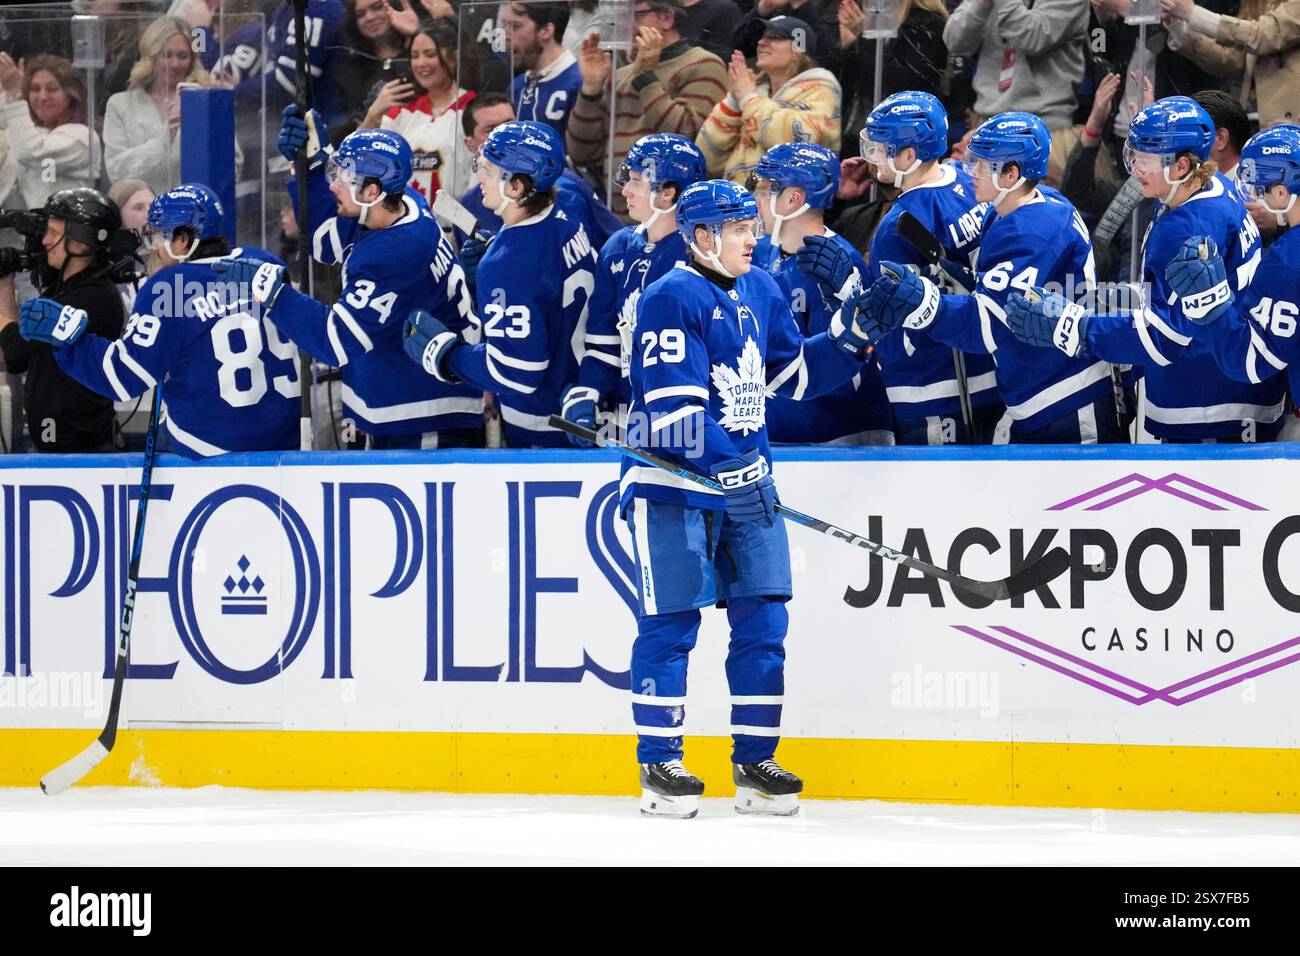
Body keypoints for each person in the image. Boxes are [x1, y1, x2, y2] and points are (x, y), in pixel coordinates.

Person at [600, 179, 878, 817]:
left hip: (746, 482)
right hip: (673, 486)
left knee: (765, 621)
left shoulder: (761, 286)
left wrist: (856, 337)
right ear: (701, 238)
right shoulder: (669, 298)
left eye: (753, 225)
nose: (754, 237)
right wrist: (740, 472)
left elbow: (797, 376)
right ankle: (659, 762)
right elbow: (676, 420)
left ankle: (754, 761)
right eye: (739, 229)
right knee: (671, 625)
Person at [1004, 97, 1281, 443]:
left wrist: (1072, 326)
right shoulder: (1212, 187)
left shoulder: (1184, 228)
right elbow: (1173, 299)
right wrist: (1099, 300)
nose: (1134, 169)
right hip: (1232, 393)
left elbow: (1164, 337)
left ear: (1180, 165)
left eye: (1145, 159)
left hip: (1207, 404)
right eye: (1132, 155)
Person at [841, 114, 1126, 443]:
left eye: (983, 164)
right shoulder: (1027, 206)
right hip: (1038, 393)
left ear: (1011, 174)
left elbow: (989, 325)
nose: (970, 171)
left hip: (1068, 397)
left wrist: (926, 302)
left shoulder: (1032, 230)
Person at [220, 114, 485, 449]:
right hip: (402, 395)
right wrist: (312, 166)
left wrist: (273, 294)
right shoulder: (399, 204)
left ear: (372, 190)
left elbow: (335, 341)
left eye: (342, 177)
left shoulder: (395, 253)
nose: (334, 185)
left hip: (424, 412)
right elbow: (323, 238)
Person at [22, 184, 301, 458]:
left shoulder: (170, 287)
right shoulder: (262, 262)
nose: (154, 248)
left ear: (183, 240)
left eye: (158, 236)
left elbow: (123, 378)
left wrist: (72, 339)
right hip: (284, 443)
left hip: (208, 449)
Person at [404, 120, 597, 447]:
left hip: (544, 418)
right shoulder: (566, 212)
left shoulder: (508, 263)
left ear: (517, 186)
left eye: (488, 170)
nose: (479, 176)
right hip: (586, 394)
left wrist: (449, 357)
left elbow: (519, 371)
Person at [854, 90, 1002, 444]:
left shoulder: (898, 224)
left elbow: (900, 322)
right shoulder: (967, 181)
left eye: (880, 148)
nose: (872, 157)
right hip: (990, 366)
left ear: (908, 156)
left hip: (932, 386)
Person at [560, 132, 708, 442]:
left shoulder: (704, 256)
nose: (625, 190)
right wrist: (588, 392)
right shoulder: (618, 248)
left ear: (668, 192)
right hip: (633, 420)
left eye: (637, 181)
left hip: (693, 422)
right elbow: (604, 344)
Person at [749, 142, 893, 444]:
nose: (755, 200)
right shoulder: (761, 253)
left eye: (763, 190)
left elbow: (841, 372)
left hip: (839, 441)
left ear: (793, 199)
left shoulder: (838, 264)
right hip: (782, 434)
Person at [1163, 125, 1300, 398]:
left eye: (1259, 188)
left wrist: (1211, 306)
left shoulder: (1285, 263)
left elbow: (1253, 361)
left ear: (1282, 193)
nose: (1254, 195)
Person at [566, 0, 727, 220]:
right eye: (623, 17)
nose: (627, 25)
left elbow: (686, 135)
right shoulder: (621, 75)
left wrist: (645, 77)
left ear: (666, 19)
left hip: (672, 216)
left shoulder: (704, 65)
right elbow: (582, 152)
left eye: (637, 16)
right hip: (620, 214)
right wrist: (591, 88)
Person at [0, 189, 126, 452]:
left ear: (81, 242)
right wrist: (4, 285)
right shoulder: (65, 289)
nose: (45, 241)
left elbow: (16, 346)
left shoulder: (93, 297)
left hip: (84, 453)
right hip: (55, 448)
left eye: (54, 234)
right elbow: (17, 359)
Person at [943, 0, 1089, 187]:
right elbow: (954, 41)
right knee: (985, 211)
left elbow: (1033, 37)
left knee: (1032, 211)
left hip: (1043, 131)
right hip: (989, 125)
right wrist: (980, 5)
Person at [456, 94, 622, 257]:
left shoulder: (565, 183)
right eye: (491, 130)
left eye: (509, 124)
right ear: (470, 144)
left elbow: (617, 243)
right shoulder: (468, 207)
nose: (504, 136)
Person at [695, 16, 842, 183]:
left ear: (798, 48)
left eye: (774, 38)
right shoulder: (754, 93)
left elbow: (799, 142)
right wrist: (734, 101)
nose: (761, 43)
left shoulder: (822, 89)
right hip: (739, 202)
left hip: (789, 202)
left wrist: (748, 99)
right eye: (762, 37)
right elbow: (707, 160)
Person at [365, 18, 477, 203]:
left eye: (430, 54)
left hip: (456, 229)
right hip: (408, 226)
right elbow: (362, 161)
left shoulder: (473, 109)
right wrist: (373, 114)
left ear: (453, 57)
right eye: (415, 55)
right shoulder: (402, 113)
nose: (421, 63)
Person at [103, 16, 215, 196]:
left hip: (194, 212)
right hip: (142, 215)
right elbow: (116, 172)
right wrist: (163, 141)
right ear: (150, 57)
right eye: (166, 55)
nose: (175, 64)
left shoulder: (205, 100)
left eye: (182, 56)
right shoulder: (121, 104)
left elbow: (232, 162)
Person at [825, 0, 950, 160]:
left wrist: (869, 38)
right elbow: (841, 82)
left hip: (909, 137)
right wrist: (848, 45)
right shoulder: (869, 16)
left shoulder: (930, 25)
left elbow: (900, 84)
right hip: (862, 133)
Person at [1162, 0, 1300, 127]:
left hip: (1290, 126)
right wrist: (1178, 25)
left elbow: (1262, 35)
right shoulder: (1256, 3)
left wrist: (1193, 13)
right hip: (1251, 121)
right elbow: (1229, 60)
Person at [0, 55, 100, 209]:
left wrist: (15, 94)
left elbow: (32, 153)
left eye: (52, 89)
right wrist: (6, 91)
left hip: (62, 230)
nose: (42, 97)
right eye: (34, 89)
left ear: (71, 94)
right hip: (16, 230)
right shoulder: (32, 132)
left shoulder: (83, 138)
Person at [502, 2, 583, 136]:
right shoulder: (516, 86)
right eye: (504, 25)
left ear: (546, 31)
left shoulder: (579, 83)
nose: (505, 35)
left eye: (515, 26)